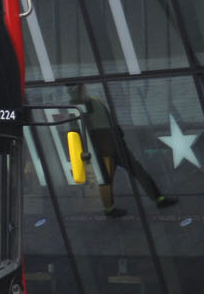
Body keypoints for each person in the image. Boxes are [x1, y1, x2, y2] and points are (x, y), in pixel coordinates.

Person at [70, 84, 177, 217]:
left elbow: (110, 120)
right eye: (80, 89)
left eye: (82, 88)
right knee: (106, 181)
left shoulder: (95, 103)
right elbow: (78, 133)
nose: (83, 90)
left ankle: (159, 199)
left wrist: (118, 135)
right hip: (103, 151)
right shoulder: (76, 109)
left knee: (138, 171)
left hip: (117, 146)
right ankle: (109, 209)